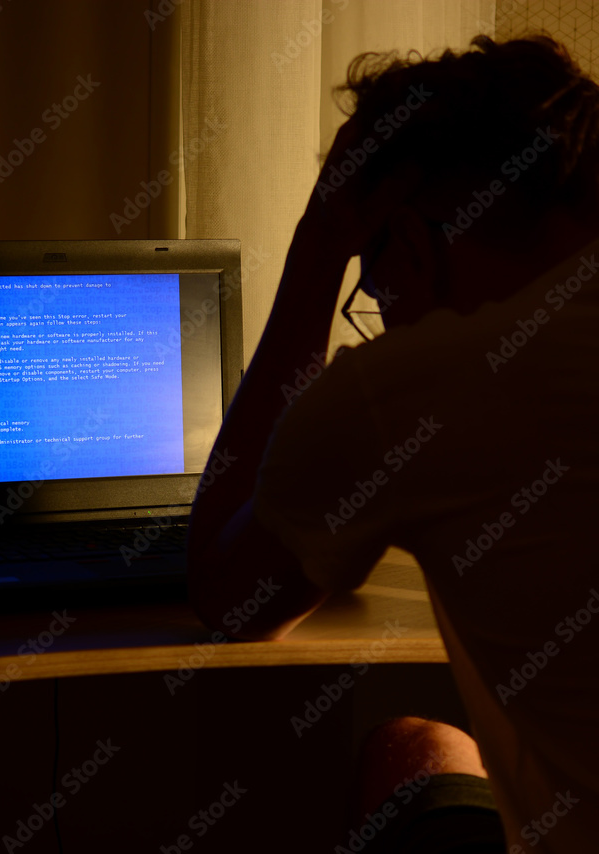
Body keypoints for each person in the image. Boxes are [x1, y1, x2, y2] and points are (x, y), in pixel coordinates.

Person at [187, 34, 599, 852]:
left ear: (408, 246)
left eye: (375, 291)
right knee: (425, 737)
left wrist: (317, 253)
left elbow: (233, 599)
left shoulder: (415, 388)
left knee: (402, 745)